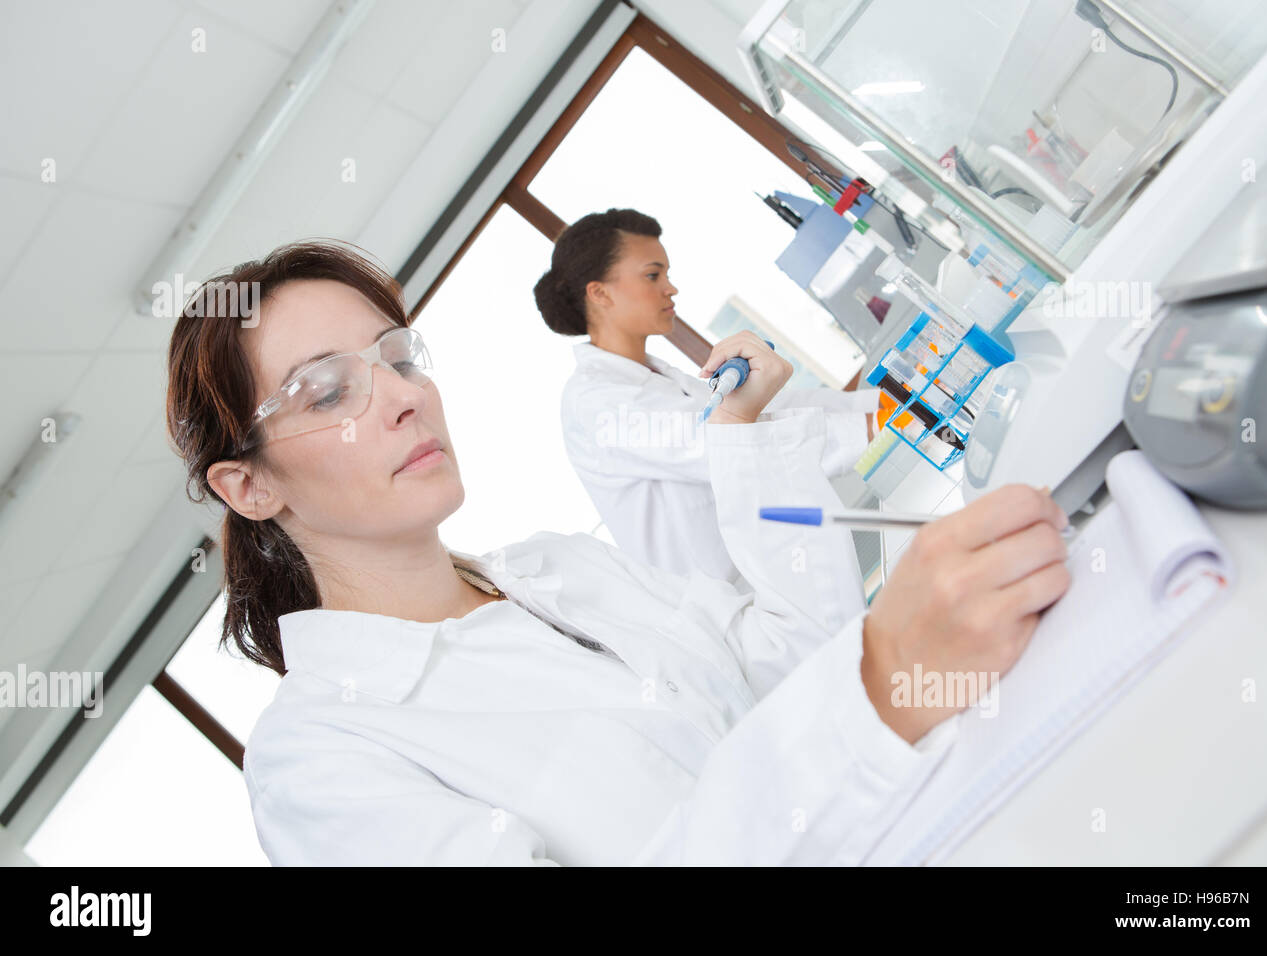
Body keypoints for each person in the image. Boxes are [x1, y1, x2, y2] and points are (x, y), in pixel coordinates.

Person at [165, 238, 1071, 865]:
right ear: (249, 488)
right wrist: (876, 700)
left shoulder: (558, 569)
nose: (404, 397)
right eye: (326, 392)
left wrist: (908, 653)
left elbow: (797, 659)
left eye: (399, 358)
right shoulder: (319, 758)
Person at [534, 208, 881, 584]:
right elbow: (728, 446)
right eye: (653, 275)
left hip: (772, 574)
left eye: (666, 274)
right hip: (734, 607)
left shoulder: (658, 378)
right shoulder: (596, 403)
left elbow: (771, 410)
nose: (670, 287)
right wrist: (870, 428)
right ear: (600, 293)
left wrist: (878, 408)